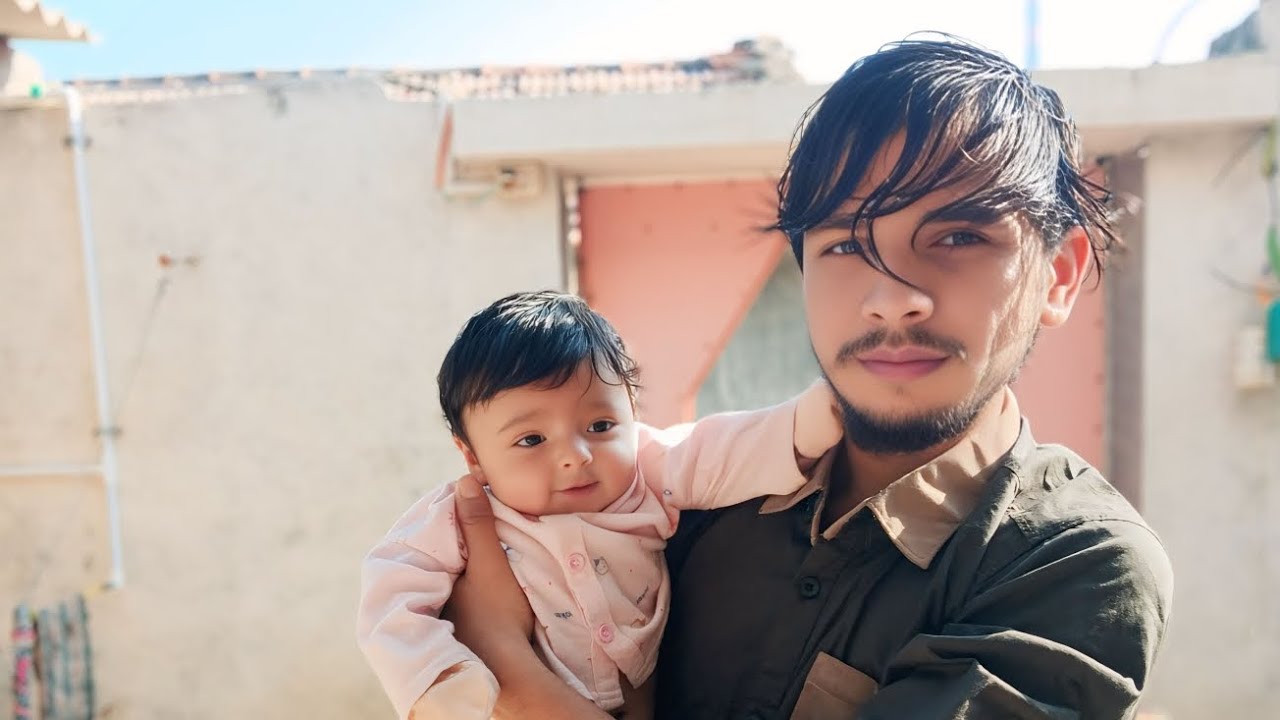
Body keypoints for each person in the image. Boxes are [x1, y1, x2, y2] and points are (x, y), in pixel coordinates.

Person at [439, 39, 1175, 720]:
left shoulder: (1075, 563)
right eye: (847, 243)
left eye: (959, 236)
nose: (891, 295)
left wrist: (504, 665)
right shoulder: (697, 489)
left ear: (1061, 274)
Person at [357, 290, 842, 719]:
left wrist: (817, 419)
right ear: (473, 457)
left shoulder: (649, 471)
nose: (575, 456)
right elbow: (391, 593)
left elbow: (724, 449)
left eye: (600, 426)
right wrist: (439, 679)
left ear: (633, 415)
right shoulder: (456, 518)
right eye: (531, 439)